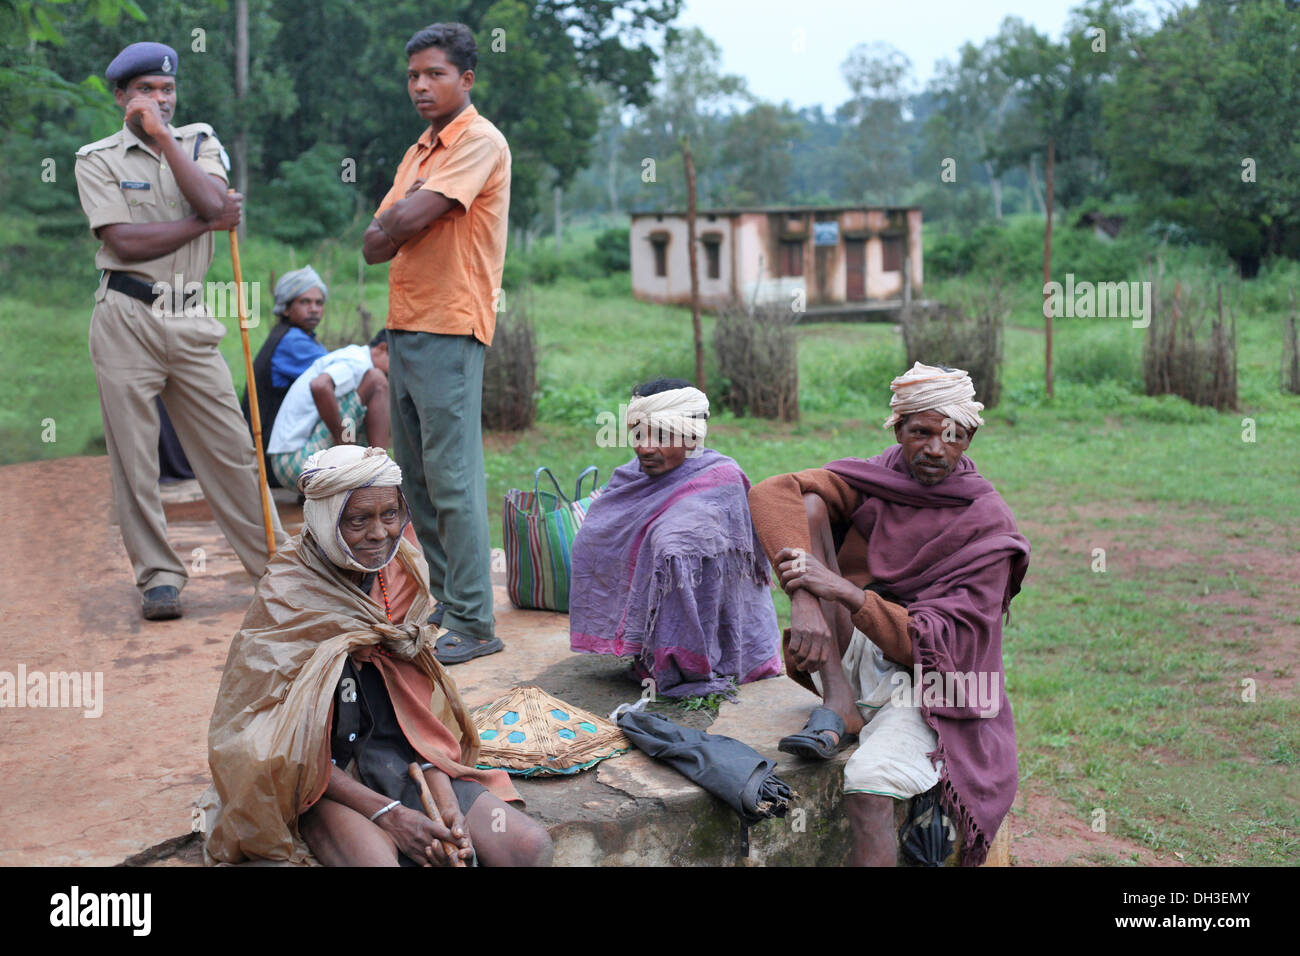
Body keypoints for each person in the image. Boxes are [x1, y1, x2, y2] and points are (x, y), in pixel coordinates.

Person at [202, 445, 553, 866]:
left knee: (529, 847)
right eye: (358, 520)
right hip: (324, 781)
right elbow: (276, 747)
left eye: (390, 514)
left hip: (405, 763)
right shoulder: (290, 595)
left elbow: (420, 709)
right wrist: (392, 815)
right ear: (323, 519)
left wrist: (444, 800)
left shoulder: (401, 572)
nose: (379, 533)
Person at [748, 362, 1030, 866]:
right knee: (809, 506)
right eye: (920, 431)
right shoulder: (876, 478)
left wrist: (847, 593)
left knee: (869, 782)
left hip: (929, 683)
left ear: (969, 438)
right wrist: (806, 599)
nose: (935, 448)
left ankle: (856, 714)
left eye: (954, 435)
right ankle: (839, 699)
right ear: (898, 429)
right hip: (854, 658)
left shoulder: (985, 522)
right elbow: (772, 492)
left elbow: (944, 647)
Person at [74, 41, 286, 621]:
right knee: (135, 458)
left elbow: (215, 197)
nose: (160, 99)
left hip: (190, 315)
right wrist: (205, 222)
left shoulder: (198, 140)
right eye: (146, 90)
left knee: (233, 449)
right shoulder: (96, 158)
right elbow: (122, 242)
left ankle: (275, 567)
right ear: (121, 97)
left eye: (167, 90)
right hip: (124, 317)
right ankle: (159, 578)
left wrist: (166, 140)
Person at [362, 22, 510, 665]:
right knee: (417, 481)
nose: (421, 86)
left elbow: (403, 220)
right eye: (413, 76)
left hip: (451, 324)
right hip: (406, 323)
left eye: (435, 74)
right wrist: (408, 213)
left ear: (466, 79)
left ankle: (477, 622)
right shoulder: (421, 149)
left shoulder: (479, 141)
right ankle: (449, 604)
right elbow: (373, 244)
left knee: (453, 480)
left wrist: (406, 215)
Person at [569, 379, 781, 698]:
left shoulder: (720, 479)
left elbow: (681, 538)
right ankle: (645, 645)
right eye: (638, 433)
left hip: (731, 648)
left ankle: (689, 658)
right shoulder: (633, 475)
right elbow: (603, 528)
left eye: (661, 435)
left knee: (674, 549)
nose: (645, 447)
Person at [265, 331, 392, 490]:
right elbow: (320, 386)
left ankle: (373, 469)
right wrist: (345, 442)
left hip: (286, 466)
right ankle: (380, 471)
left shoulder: (352, 357)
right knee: (377, 380)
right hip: (296, 462)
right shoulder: (358, 360)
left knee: (366, 400)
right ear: (382, 348)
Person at [240, 266, 330, 485]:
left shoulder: (294, 336)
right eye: (305, 302)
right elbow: (344, 371)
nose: (314, 309)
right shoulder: (292, 342)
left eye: (318, 303)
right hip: (271, 458)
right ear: (286, 308)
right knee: (351, 395)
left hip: (270, 451)